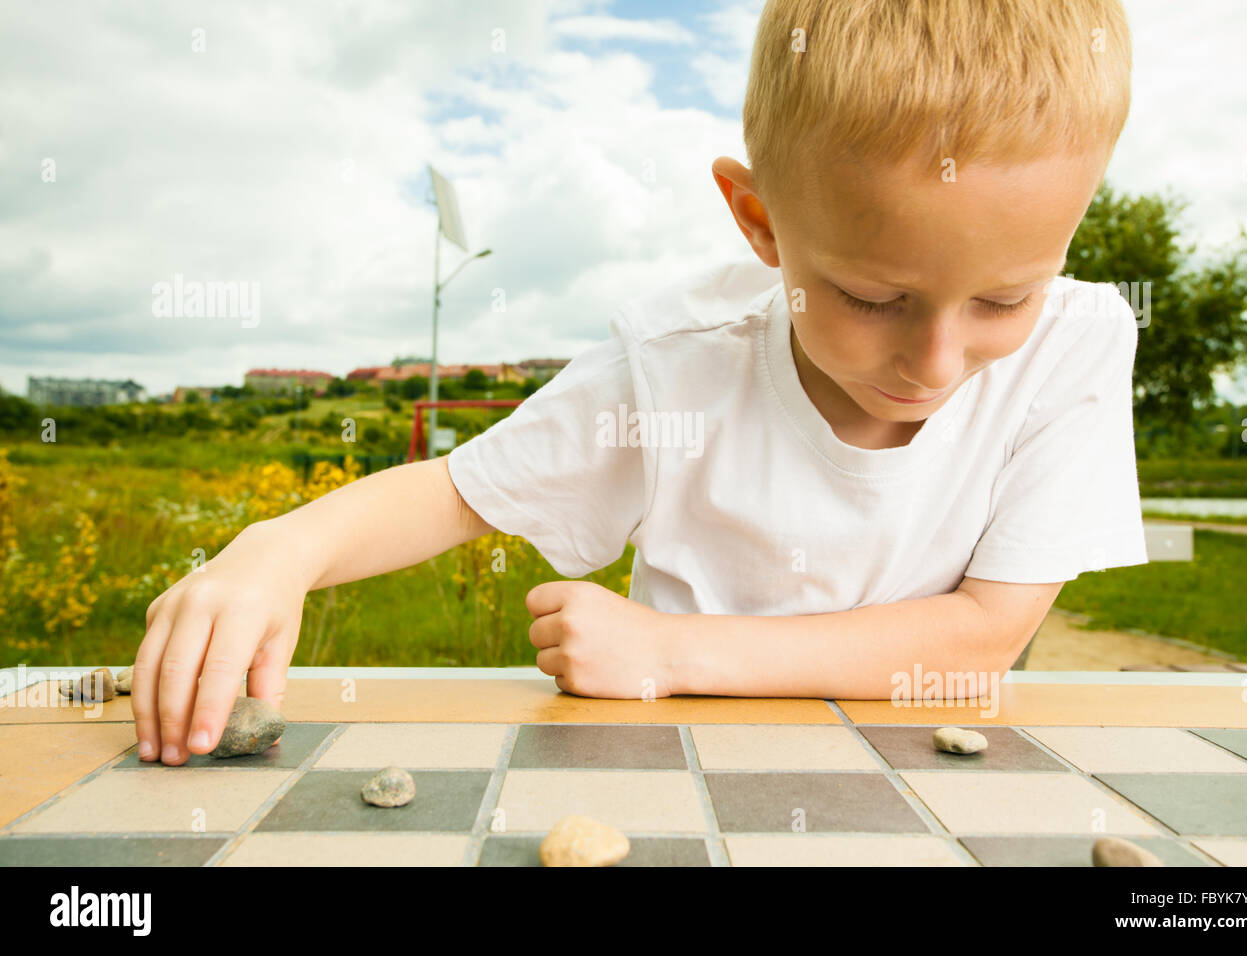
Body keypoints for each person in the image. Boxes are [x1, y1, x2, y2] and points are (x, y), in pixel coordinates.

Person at [133, 0, 1146, 765]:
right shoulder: (675, 360)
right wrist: (282, 547)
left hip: (932, 780)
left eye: (1003, 299)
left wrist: (669, 648)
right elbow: (454, 491)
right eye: (872, 297)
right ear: (757, 221)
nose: (933, 362)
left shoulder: (1080, 341)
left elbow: (979, 643)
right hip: (666, 775)